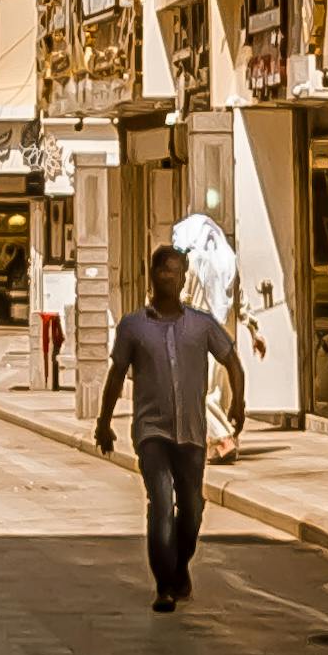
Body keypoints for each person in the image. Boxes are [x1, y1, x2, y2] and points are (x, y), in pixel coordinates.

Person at [95, 242, 245, 611]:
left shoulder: (202, 324)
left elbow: (232, 361)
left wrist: (239, 403)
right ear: (152, 275)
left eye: (176, 271)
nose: (169, 277)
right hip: (152, 433)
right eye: (163, 270)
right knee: (161, 503)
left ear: (183, 278)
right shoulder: (132, 327)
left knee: (192, 508)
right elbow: (116, 375)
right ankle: (165, 585)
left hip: (193, 434)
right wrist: (104, 422)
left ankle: (179, 567)